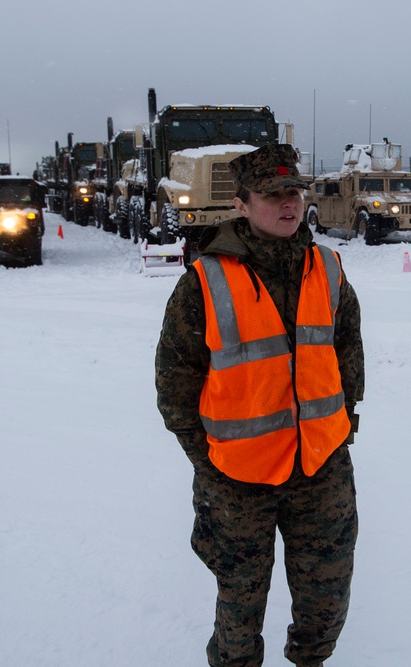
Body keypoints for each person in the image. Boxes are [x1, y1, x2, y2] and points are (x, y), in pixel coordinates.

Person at [156, 143, 364, 667]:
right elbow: (175, 383)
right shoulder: (206, 280)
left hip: (321, 468)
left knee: (327, 597)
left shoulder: (328, 267)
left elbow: (347, 354)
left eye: (294, 191)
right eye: (272, 195)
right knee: (240, 603)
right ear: (242, 204)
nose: (288, 203)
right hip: (238, 477)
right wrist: (206, 461)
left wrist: (342, 428)